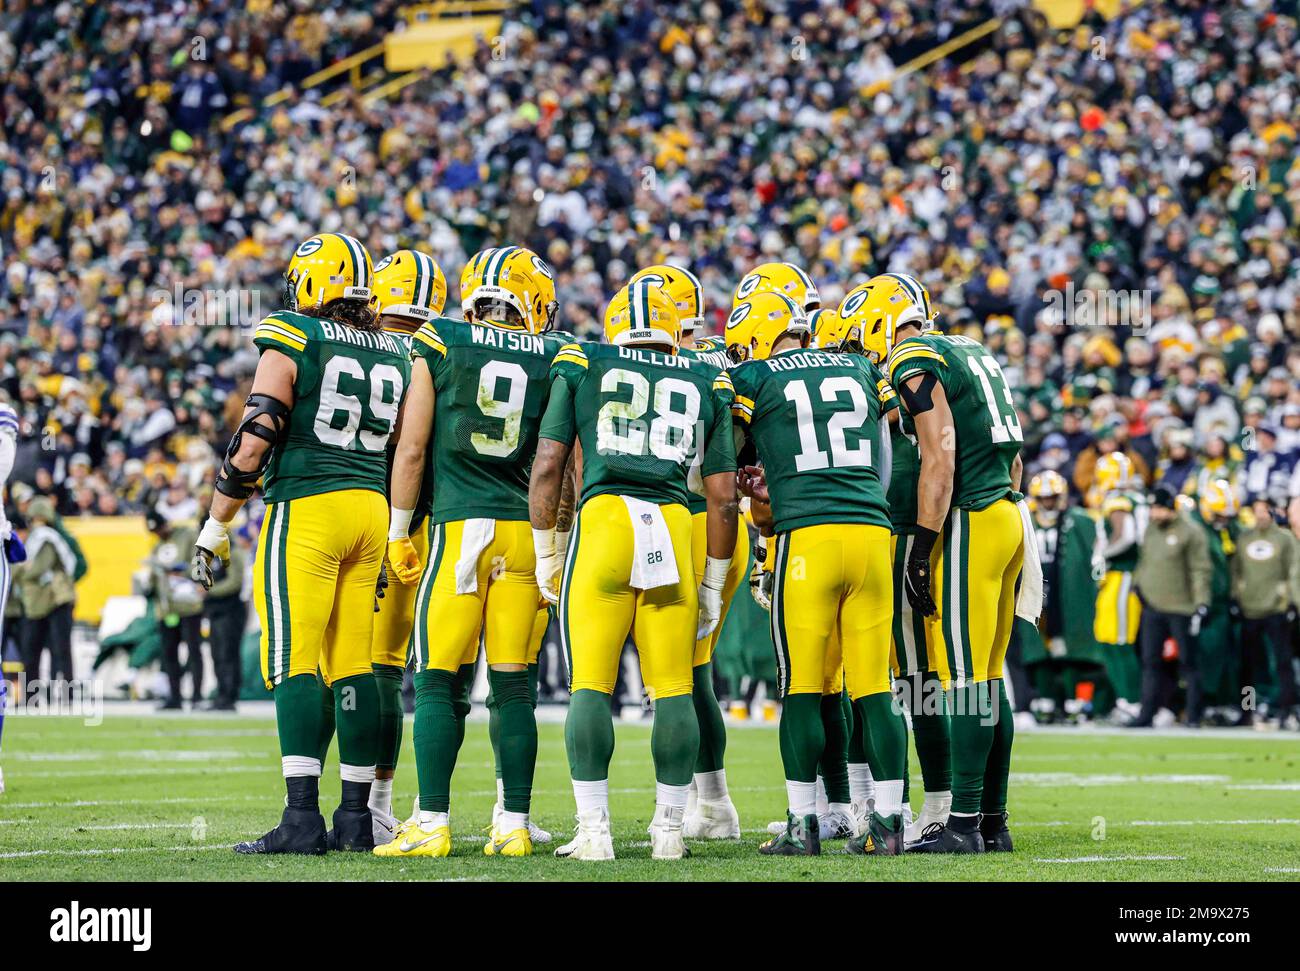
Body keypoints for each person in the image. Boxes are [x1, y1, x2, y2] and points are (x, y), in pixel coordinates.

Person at [191, 232, 411, 855]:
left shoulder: (293, 335)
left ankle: (300, 819)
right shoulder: (395, 351)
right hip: (371, 509)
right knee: (354, 666)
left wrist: (216, 522)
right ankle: (356, 818)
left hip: (310, 507)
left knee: (294, 658)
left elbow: (256, 437)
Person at [529, 279, 737, 861]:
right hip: (672, 522)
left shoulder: (582, 358)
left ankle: (595, 832)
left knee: (590, 684)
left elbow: (549, 463)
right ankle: (669, 831)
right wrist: (715, 582)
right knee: (674, 686)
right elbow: (722, 497)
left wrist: (548, 547)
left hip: (605, 521)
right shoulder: (705, 376)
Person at [378, 245, 567, 859]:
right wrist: (556, 543)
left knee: (436, 681)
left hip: (460, 531)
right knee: (514, 686)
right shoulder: (558, 355)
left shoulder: (440, 341)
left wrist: (399, 528)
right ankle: (512, 823)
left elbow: (410, 450)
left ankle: (431, 822)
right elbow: (560, 464)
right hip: (524, 532)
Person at [732, 286, 908, 857]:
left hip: (806, 538)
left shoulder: (755, 379)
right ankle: (886, 823)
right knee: (876, 690)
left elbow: (729, 456)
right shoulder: (859, 366)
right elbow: (883, 458)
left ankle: (803, 824)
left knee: (803, 689)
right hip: (870, 532)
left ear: (755, 337)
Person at [873, 273, 1029, 855]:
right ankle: (993, 820)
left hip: (969, 517)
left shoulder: (913, 355)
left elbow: (940, 455)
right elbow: (1014, 453)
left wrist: (921, 545)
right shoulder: (973, 349)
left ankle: (960, 824)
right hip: (1008, 514)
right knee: (988, 680)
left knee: (962, 681)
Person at [822, 275, 952, 848]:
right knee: (867, 679)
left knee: (918, 679)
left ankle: (942, 804)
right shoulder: (882, 373)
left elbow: (939, 453)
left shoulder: (905, 372)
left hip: (904, 533)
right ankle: (865, 804)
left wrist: (924, 542)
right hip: (876, 537)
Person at [630, 263, 748, 839]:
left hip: (691, 520)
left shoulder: (661, 364)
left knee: (679, 675)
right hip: (724, 520)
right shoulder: (722, 362)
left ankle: (698, 808)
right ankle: (709, 802)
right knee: (690, 672)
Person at [1130, 483, 1212, 728]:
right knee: (1150, 662)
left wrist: (1201, 602)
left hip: (1182, 607)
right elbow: (1144, 561)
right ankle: (1147, 715)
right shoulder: (1151, 529)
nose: (1154, 514)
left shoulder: (1192, 531)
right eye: (1152, 508)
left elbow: (1201, 569)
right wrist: (1138, 584)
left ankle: (1194, 715)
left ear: (1171, 508)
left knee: (1188, 663)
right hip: (1153, 606)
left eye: (1159, 508)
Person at [1231, 498, 1298, 728]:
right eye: (1256, 511)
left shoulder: (1285, 538)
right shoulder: (1244, 538)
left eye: (1264, 511)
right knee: (1247, 665)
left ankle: (1285, 711)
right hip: (1249, 609)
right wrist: (1235, 597)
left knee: (1282, 663)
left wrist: (1292, 602)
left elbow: (1294, 571)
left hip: (1276, 609)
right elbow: (1235, 571)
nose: (1260, 515)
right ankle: (1247, 710)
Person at [1091, 452, 1146, 721]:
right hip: (1116, 579)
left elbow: (1126, 536)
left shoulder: (1119, 499)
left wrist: (1103, 555)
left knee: (1121, 642)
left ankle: (1133, 703)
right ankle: (1125, 699)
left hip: (1124, 576)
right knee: (1107, 639)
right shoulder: (1133, 497)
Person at [15, 497, 77, 694]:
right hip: (38, 601)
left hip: (53, 600)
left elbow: (36, 568)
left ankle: (64, 694)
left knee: (57, 650)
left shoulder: (45, 538)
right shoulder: (45, 537)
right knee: (34, 652)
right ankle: (32, 695)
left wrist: (19, 572)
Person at [145, 509, 206, 709]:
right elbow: (154, 577)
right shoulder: (157, 546)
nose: (159, 534)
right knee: (169, 654)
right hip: (167, 608)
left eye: (161, 529)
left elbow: (199, 561)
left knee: (193, 651)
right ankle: (175, 697)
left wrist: (183, 572)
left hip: (188, 605)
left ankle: (197, 696)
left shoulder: (187, 536)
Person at [202, 523, 247, 712]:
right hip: (216, 610)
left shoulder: (233, 553)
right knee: (217, 654)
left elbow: (235, 582)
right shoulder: (212, 555)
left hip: (230, 610)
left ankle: (229, 696)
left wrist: (209, 590)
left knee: (227, 654)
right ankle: (222, 694)